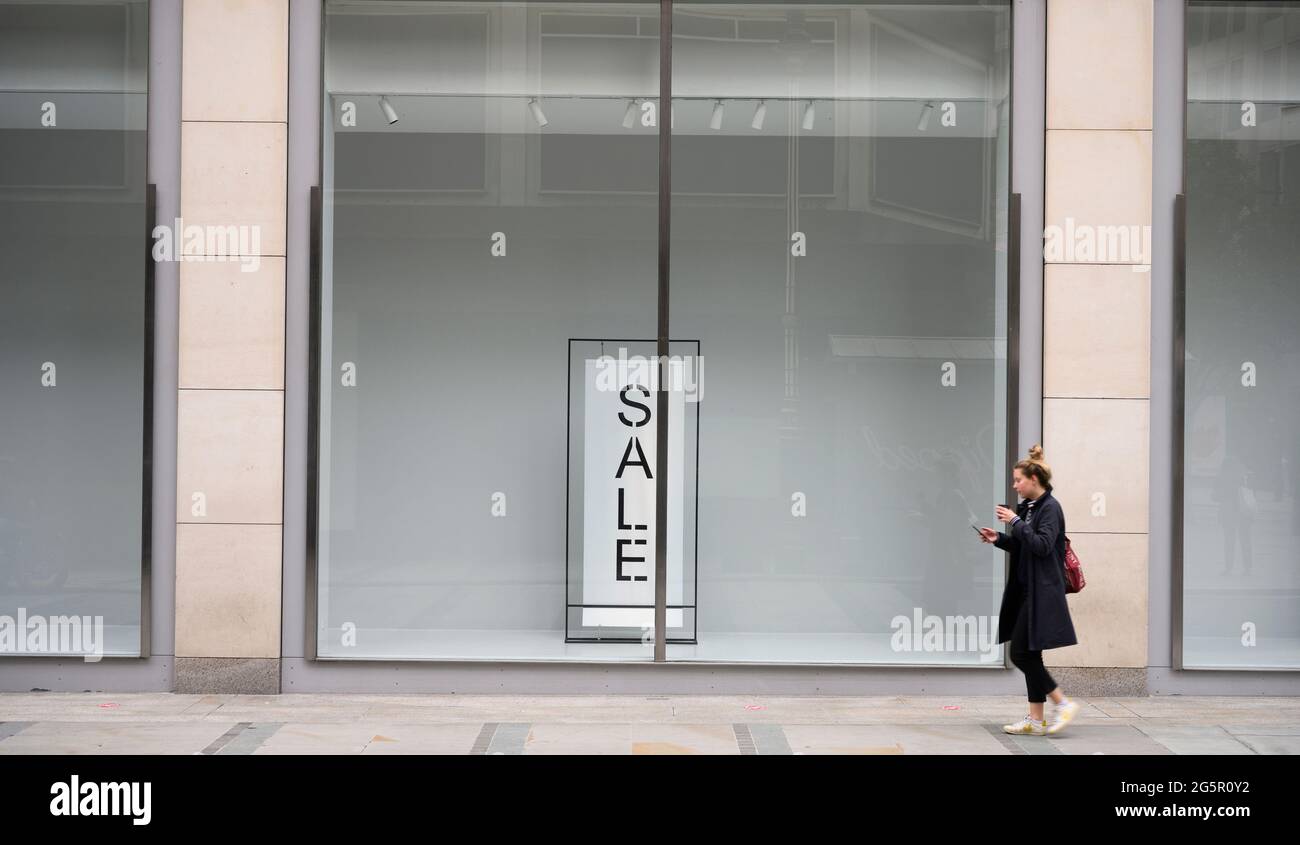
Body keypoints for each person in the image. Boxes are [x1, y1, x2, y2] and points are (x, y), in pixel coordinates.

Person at [976, 445, 1080, 736]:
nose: (1015, 485)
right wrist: (999, 538)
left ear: (1034, 479)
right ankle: (1036, 720)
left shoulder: (1050, 508)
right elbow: (1024, 545)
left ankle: (1063, 703)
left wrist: (1015, 521)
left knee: (1020, 654)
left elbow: (1043, 546)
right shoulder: (1029, 508)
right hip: (1025, 591)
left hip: (1042, 593)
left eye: (1018, 480)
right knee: (1031, 655)